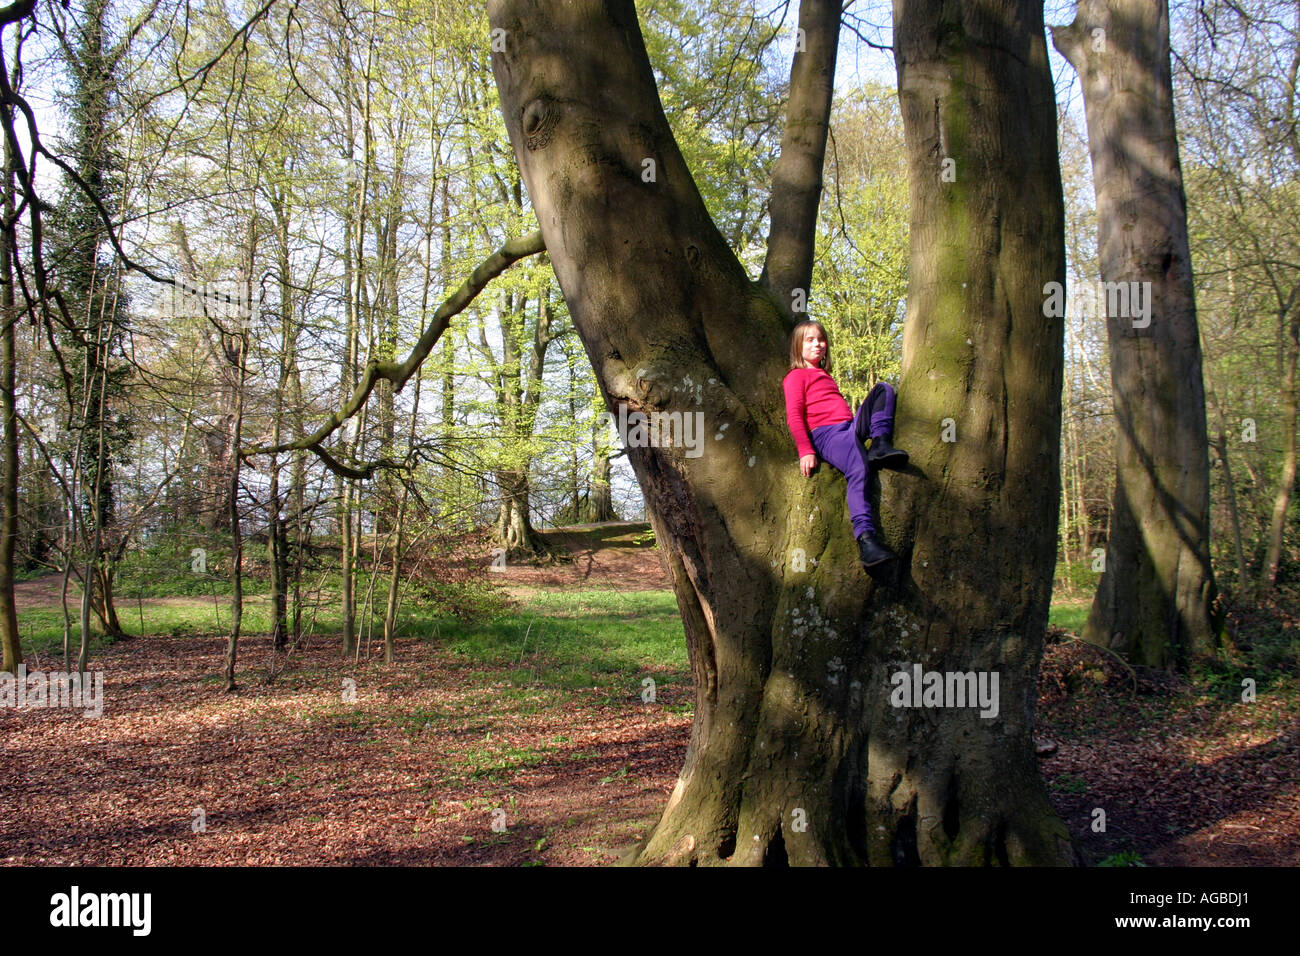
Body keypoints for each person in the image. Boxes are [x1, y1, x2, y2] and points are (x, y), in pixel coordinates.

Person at [782, 319, 908, 569]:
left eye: (821, 339)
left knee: (883, 390)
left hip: (849, 427)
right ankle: (866, 541)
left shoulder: (825, 376)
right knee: (858, 468)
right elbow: (795, 415)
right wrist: (805, 450)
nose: (818, 344)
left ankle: (881, 444)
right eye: (810, 340)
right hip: (826, 434)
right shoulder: (796, 377)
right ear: (798, 347)